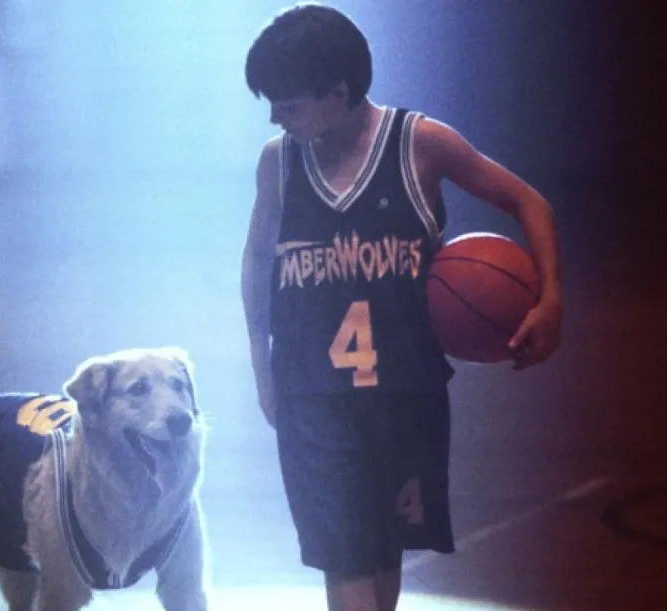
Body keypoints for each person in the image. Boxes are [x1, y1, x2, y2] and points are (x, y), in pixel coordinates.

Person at [239, 4, 563, 611]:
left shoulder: (420, 144)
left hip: (405, 389)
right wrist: (262, 362)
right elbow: (258, 262)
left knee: (382, 555)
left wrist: (551, 301)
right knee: (346, 558)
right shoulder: (277, 163)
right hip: (315, 394)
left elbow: (530, 203)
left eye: (289, 104)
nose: (277, 118)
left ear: (338, 92)